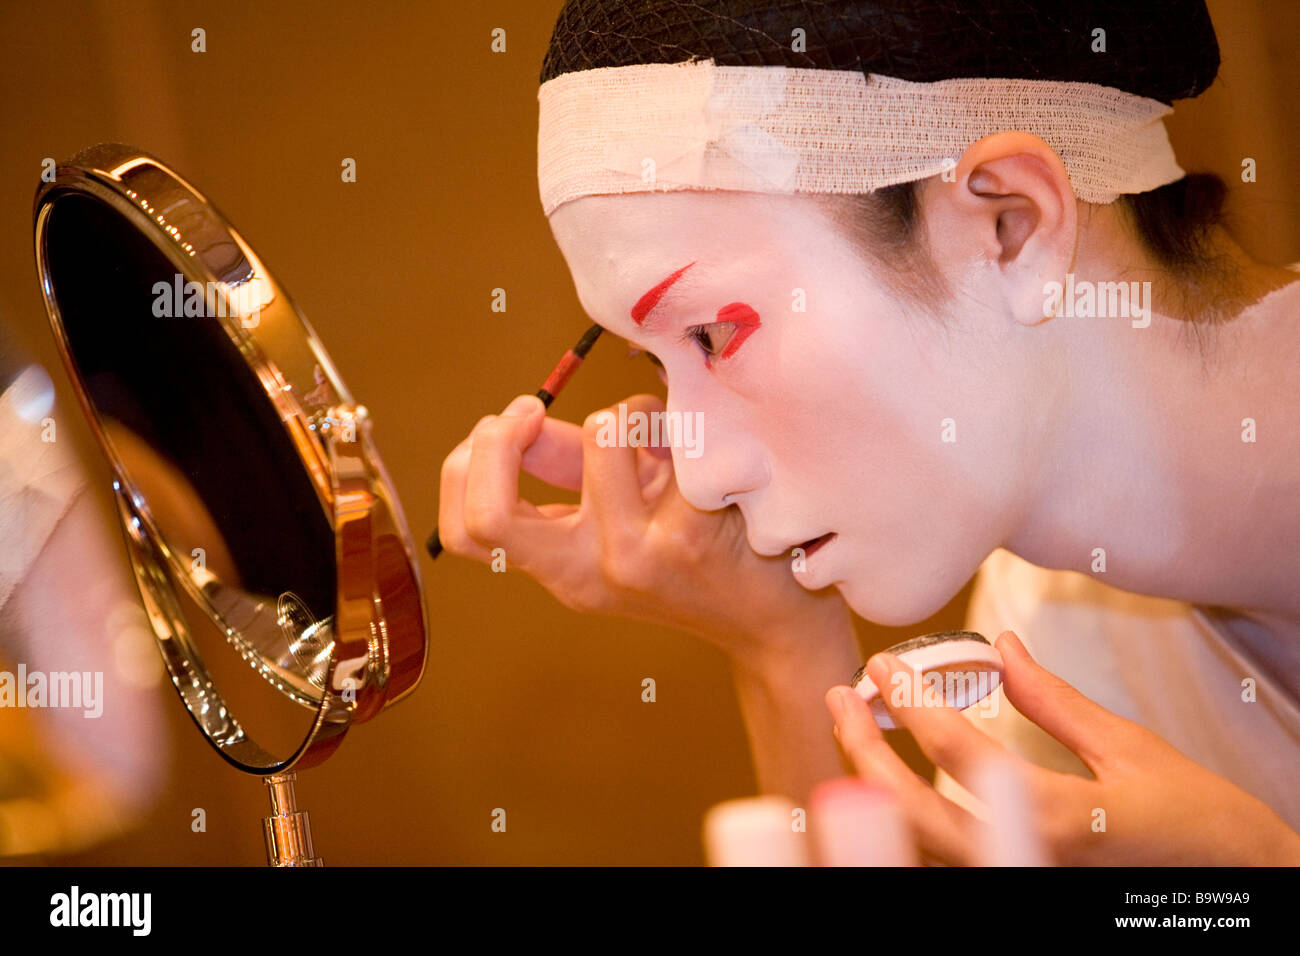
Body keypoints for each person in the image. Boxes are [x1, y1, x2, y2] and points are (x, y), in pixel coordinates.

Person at [438, 0, 1300, 863]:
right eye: (656, 366)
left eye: (714, 335)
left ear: (1012, 226)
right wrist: (782, 642)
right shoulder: (1054, 636)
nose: (701, 476)